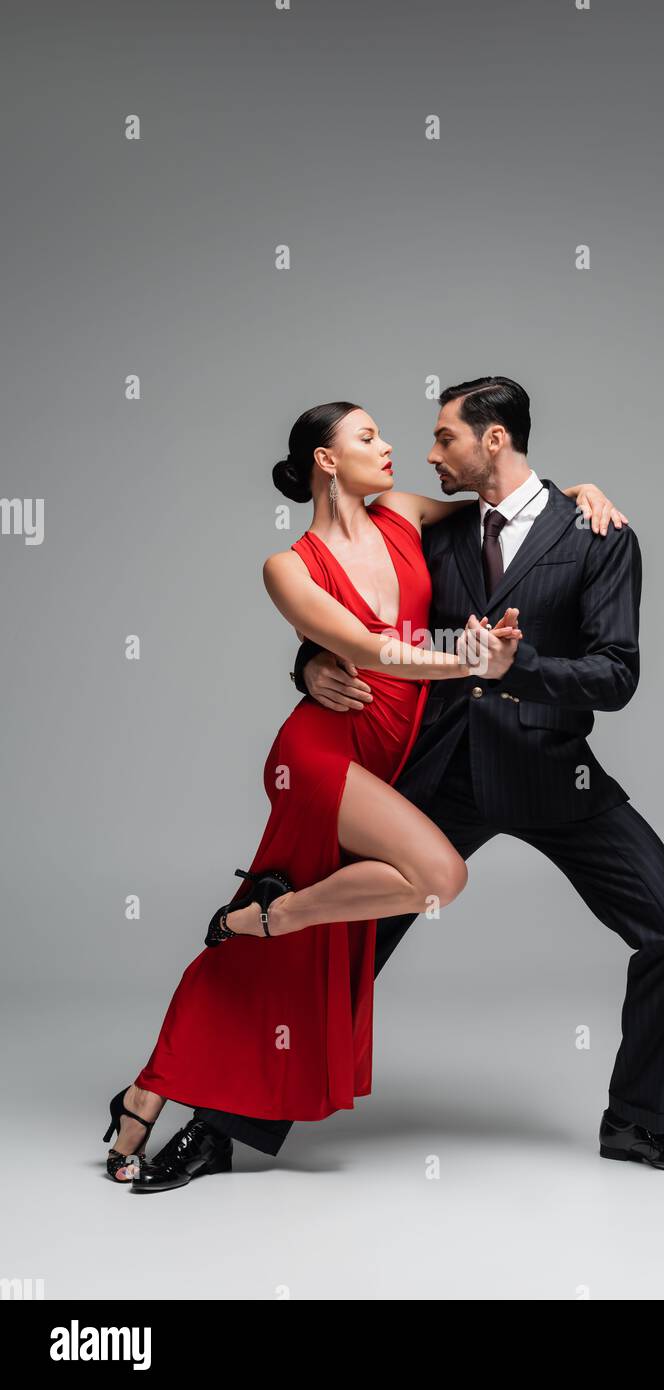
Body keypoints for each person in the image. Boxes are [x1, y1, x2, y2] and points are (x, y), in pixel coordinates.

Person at [103, 396, 615, 1192]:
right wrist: (473, 663)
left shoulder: (403, 513)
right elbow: (373, 648)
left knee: (277, 959)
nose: (393, 449)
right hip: (323, 754)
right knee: (439, 878)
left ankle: (146, 1091)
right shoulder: (288, 565)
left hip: (390, 762)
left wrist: (581, 493)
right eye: (369, 437)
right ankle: (269, 915)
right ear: (326, 460)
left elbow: (510, 502)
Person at [228, 376, 664, 1175]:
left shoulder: (598, 537)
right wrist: (310, 664)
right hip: (440, 775)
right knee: (336, 942)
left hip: (554, 776)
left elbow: (615, 675)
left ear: (493, 439)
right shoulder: (428, 530)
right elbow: (362, 613)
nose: (426, 453)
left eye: (444, 437)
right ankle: (223, 1124)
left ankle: (638, 1123)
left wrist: (519, 668)